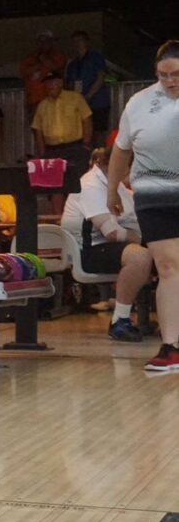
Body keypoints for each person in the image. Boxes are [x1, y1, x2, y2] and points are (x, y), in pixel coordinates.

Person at [108, 40, 179, 372]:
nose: (170, 81)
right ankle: (172, 347)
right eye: (163, 75)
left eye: (176, 74)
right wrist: (112, 190)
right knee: (167, 267)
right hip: (154, 196)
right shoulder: (138, 103)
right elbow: (121, 150)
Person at [63, 147, 152, 342]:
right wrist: (149, 242)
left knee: (168, 253)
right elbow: (113, 233)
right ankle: (120, 321)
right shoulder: (89, 184)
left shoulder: (117, 185)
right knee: (142, 256)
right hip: (89, 250)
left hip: (108, 246)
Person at [32, 71, 93, 212]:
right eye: (47, 82)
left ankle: (79, 217)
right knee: (55, 188)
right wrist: (43, 155)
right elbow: (38, 131)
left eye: (53, 81)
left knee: (79, 184)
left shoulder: (75, 98)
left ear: (60, 82)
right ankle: (58, 220)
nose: (50, 85)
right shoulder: (42, 105)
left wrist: (86, 144)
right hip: (52, 151)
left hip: (75, 148)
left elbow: (87, 120)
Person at [67, 31, 111, 147]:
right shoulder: (73, 64)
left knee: (98, 132)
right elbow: (71, 84)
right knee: (83, 133)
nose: (77, 44)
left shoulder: (95, 58)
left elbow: (101, 77)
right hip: (80, 103)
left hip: (97, 102)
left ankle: (100, 159)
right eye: (74, 41)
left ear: (86, 42)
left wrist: (88, 96)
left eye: (80, 40)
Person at [21, 31, 68, 113]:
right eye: (40, 41)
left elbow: (56, 68)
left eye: (45, 41)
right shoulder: (30, 57)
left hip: (53, 100)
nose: (42, 43)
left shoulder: (58, 55)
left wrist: (43, 58)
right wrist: (37, 65)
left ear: (51, 42)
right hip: (34, 100)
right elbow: (23, 71)